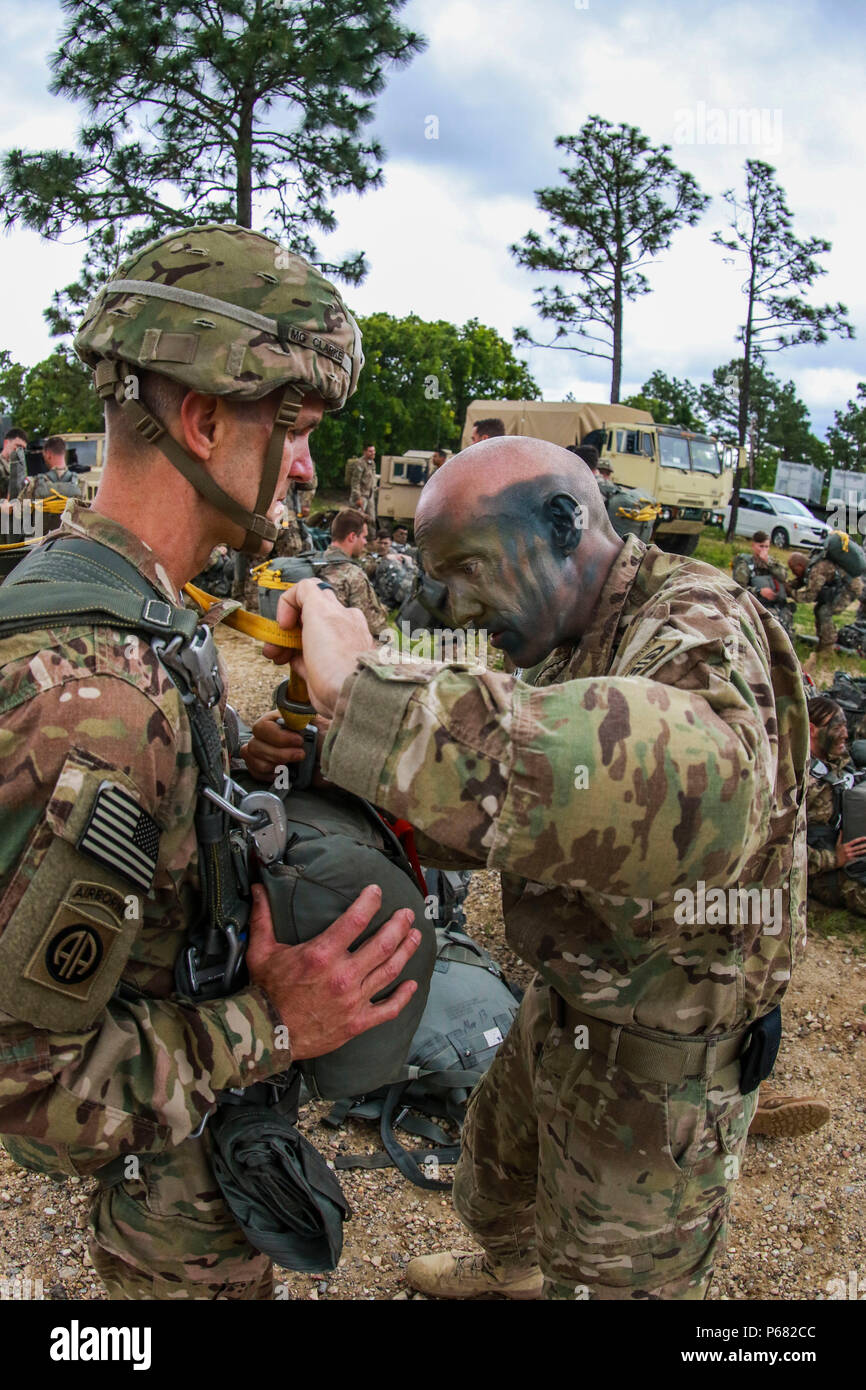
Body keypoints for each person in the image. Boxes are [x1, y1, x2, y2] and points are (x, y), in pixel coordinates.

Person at [268, 435, 808, 1301]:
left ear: (563, 524)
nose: (454, 606)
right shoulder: (570, 630)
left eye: (468, 570)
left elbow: (688, 802)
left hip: (660, 1061)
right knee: (492, 1183)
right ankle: (507, 1270)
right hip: (566, 1008)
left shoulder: (699, 621)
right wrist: (336, 752)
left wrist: (371, 696)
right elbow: (525, 816)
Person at [0, 224, 421, 1300]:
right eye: (296, 430)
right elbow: (31, 1099)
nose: (306, 466)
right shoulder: (97, 699)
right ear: (201, 418)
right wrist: (276, 1020)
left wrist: (227, 765)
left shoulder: (123, 610)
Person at [319, 507, 389, 635]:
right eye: (363, 537)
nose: (365, 542)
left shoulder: (317, 562)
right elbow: (373, 626)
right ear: (352, 537)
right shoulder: (353, 574)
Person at [788, 542, 862, 653]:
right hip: (842, 586)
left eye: (794, 570)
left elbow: (809, 596)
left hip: (851, 588)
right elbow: (802, 580)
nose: (793, 573)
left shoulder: (816, 571)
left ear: (799, 566)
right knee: (819, 609)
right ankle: (822, 640)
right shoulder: (810, 565)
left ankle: (828, 647)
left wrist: (790, 592)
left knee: (824, 611)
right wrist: (788, 585)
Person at [732, 532, 794, 637]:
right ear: (753, 546)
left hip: (776, 604)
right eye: (761, 546)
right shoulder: (745, 564)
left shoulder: (772, 563)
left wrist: (768, 563)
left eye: (767, 546)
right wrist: (759, 592)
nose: (764, 550)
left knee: (786, 619)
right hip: (755, 604)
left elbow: (783, 576)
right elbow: (738, 589)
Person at [16, 435, 81, 502]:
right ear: (64, 453)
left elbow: (19, 508)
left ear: (48, 454)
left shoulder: (34, 484)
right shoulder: (80, 483)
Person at [348, 443, 377, 519]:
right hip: (361, 496)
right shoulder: (360, 463)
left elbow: (372, 479)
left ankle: (371, 531)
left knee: (371, 519)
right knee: (357, 519)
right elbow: (355, 482)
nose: (373, 453)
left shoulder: (372, 463)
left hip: (370, 495)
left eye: (374, 451)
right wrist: (357, 498)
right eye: (370, 451)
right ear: (364, 452)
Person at [0, 427, 27, 500]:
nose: (19, 451)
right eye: (18, 446)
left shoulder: (20, 467)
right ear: (6, 443)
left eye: (23, 449)